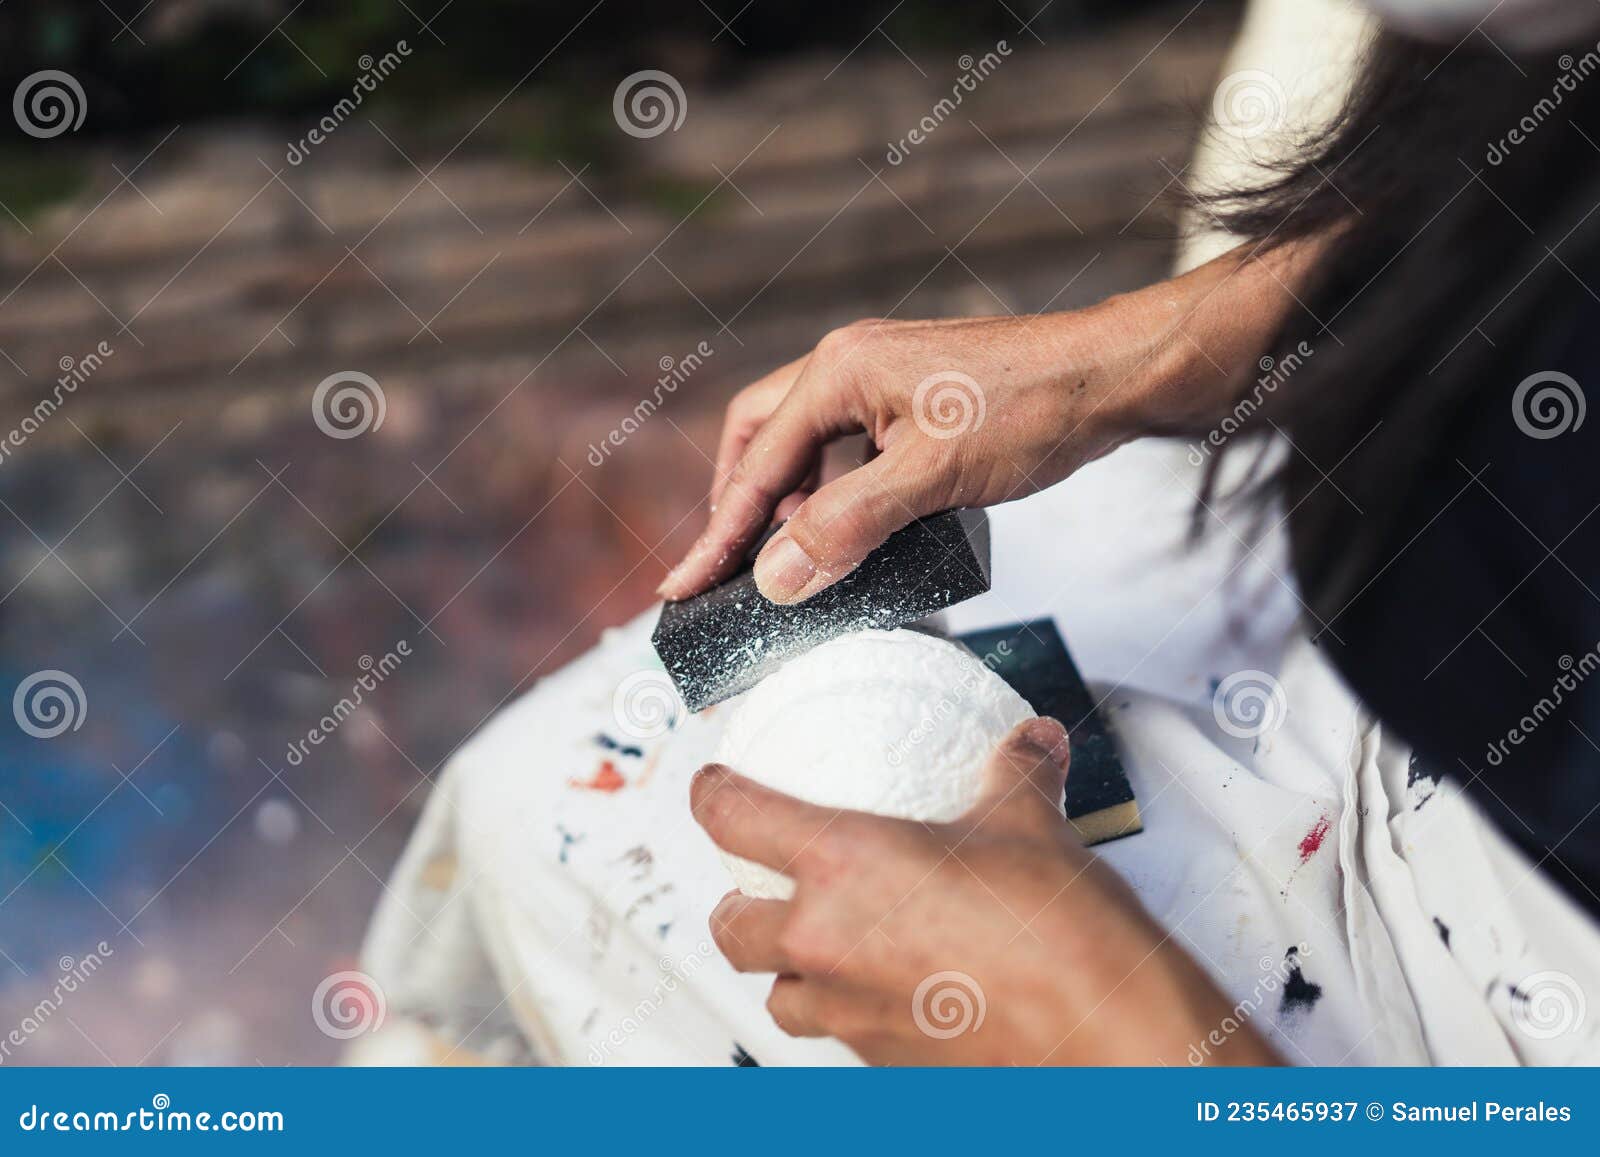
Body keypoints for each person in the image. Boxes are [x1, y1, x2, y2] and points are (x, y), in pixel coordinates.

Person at [357, 0, 1600, 1067]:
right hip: (1390, 612)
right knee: (533, 791)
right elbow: (1545, 175)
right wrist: (1149, 344)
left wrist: (1083, 1026)